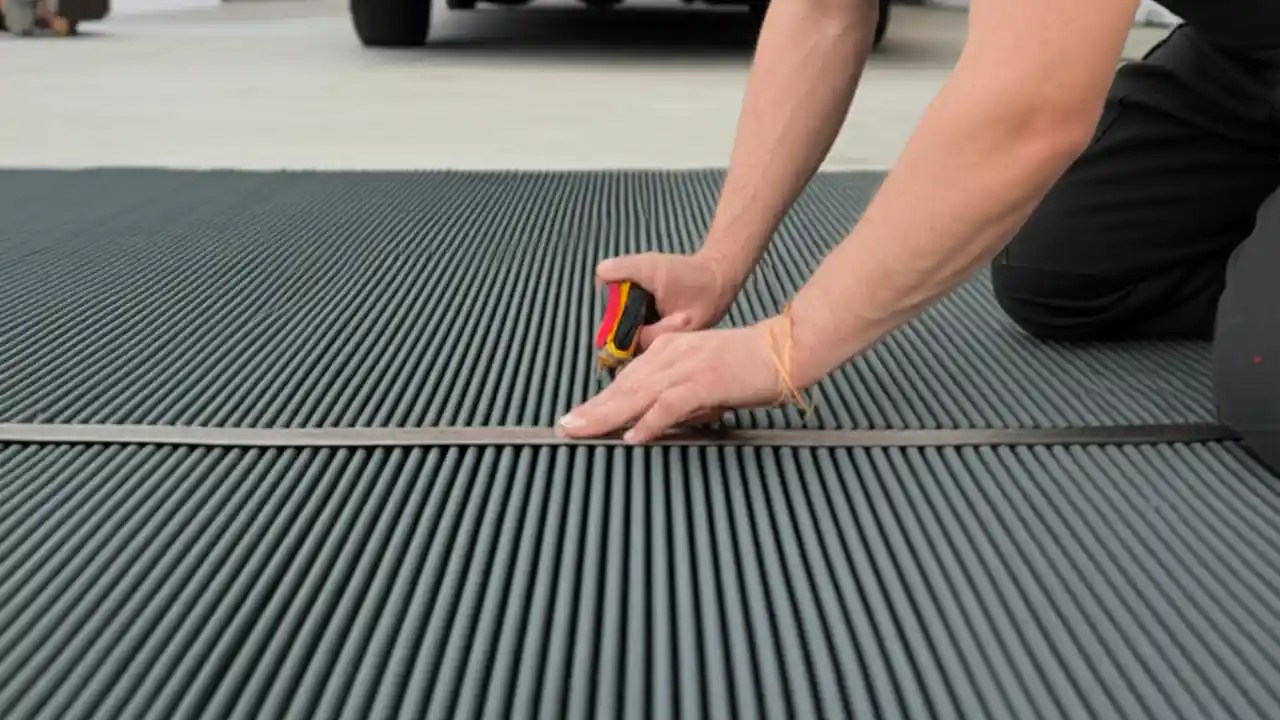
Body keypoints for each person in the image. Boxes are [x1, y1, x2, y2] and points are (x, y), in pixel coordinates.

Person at [556, 0, 1280, 471]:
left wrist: (786, 347)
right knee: (1068, 275)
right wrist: (721, 260)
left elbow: (1031, 115)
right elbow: (823, 10)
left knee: (1266, 383)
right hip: (1252, 53)